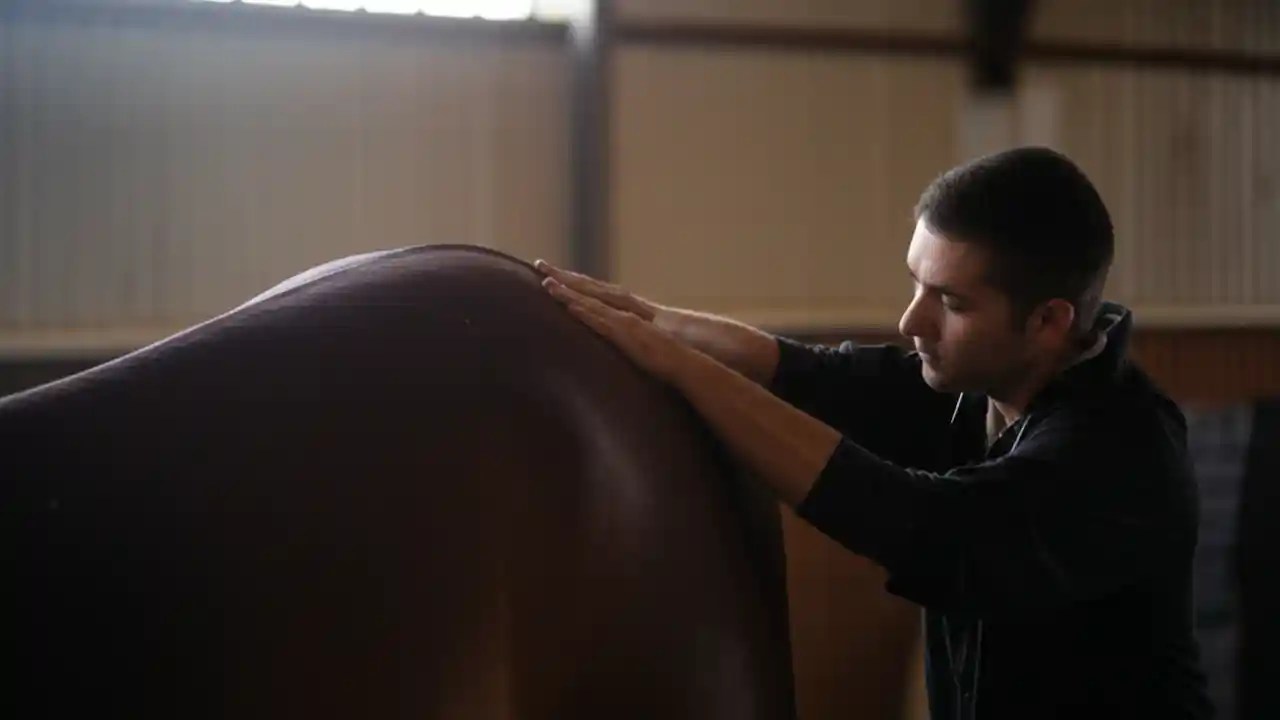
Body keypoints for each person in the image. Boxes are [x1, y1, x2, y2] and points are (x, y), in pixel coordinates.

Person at [534, 146, 1213, 719]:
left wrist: (685, 373)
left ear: (1048, 322)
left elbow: (924, 528)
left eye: (950, 301)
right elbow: (815, 375)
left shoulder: (1116, 454)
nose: (911, 322)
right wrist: (653, 322)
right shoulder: (983, 389)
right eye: (916, 283)